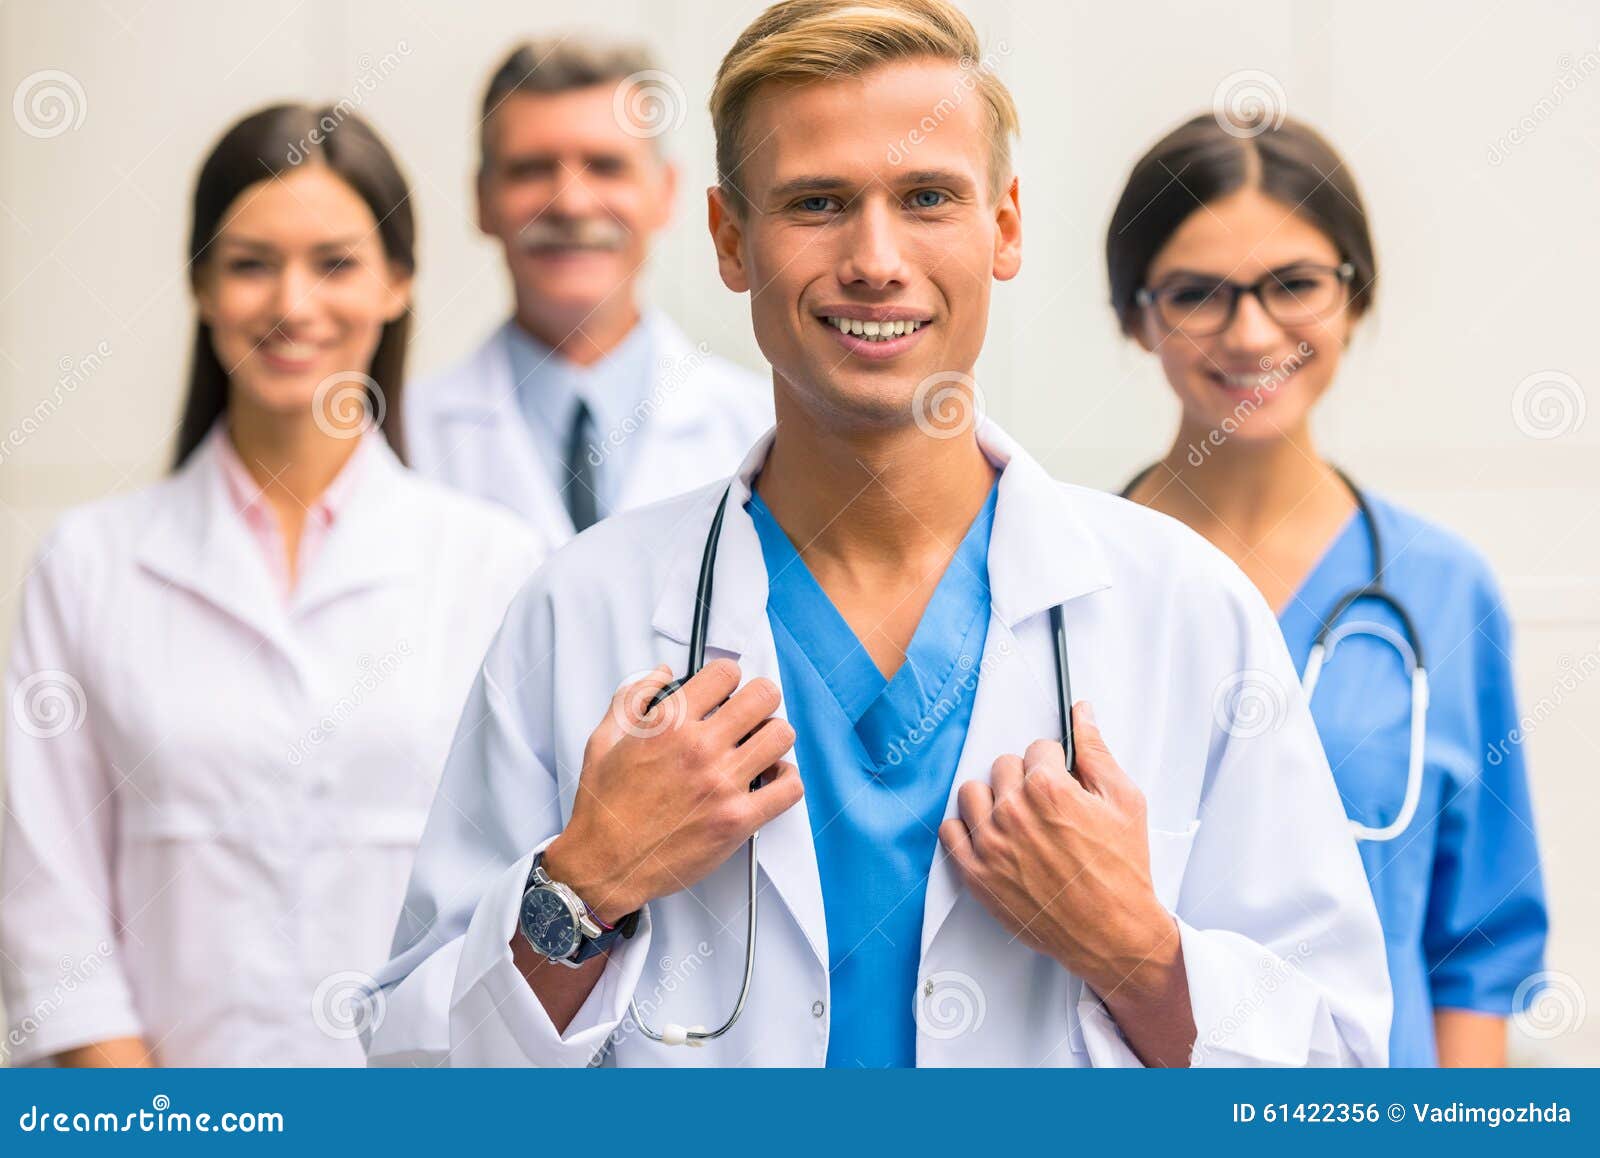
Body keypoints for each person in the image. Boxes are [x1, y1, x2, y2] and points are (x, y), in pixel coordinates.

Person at [369, 0, 1389, 1068]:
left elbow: (1339, 1078)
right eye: (816, 202)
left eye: (927, 198)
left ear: (1003, 226)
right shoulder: (579, 612)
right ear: (727, 237)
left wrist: (1135, 956)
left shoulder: (1181, 607)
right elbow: (410, 1072)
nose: (874, 258)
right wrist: (586, 883)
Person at [0, 105, 539, 1066]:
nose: (293, 304)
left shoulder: (495, 565)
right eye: (251, 263)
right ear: (201, 283)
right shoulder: (88, 565)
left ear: (398, 282)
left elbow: (521, 889)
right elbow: (50, 903)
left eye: (335, 263)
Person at [1107, 113, 1547, 1066]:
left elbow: (1474, 949)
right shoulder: (1069, 584)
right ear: (1136, 315)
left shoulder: (1443, 590)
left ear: (1355, 297)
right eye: (1196, 294)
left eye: (1295, 285)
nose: (1251, 331)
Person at [404, 39, 772, 555]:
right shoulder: (400, 436)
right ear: (482, 200)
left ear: (665, 193)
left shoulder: (760, 432)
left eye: (605, 166)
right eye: (531, 169)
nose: (571, 203)